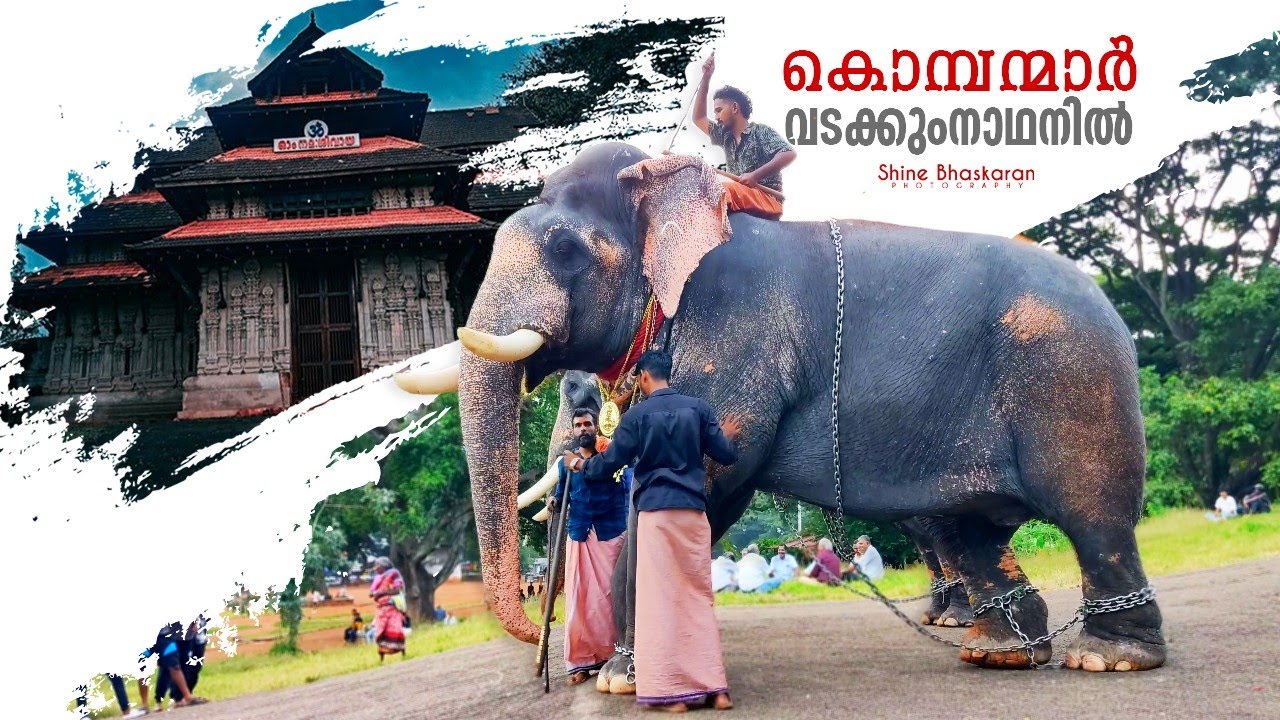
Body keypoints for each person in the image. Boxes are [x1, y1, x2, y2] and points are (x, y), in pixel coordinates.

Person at [568, 350, 740, 711]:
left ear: (643, 377)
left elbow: (609, 463)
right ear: (667, 374)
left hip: (657, 516)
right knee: (697, 597)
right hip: (693, 514)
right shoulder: (699, 409)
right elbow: (726, 455)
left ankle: (672, 693)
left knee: (659, 603)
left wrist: (581, 465)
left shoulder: (636, 416)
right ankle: (717, 689)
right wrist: (725, 436)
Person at [548, 406, 630, 685]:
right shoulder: (564, 464)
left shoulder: (612, 458)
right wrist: (555, 503)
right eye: (578, 425)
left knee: (610, 596)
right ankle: (580, 663)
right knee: (580, 600)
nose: (583, 429)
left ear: (596, 427)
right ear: (572, 430)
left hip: (611, 534)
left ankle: (614, 655)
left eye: (587, 424)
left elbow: (628, 491)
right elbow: (562, 496)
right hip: (580, 535)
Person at [692, 52, 797, 220]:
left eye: (719, 110)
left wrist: (756, 176)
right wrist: (706, 78)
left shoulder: (760, 132)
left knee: (720, 189)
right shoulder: (724, 136)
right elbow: (698, 118)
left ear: (735, 108)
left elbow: (789, 154)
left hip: (767, 199)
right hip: (740, 197)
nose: (716, 117)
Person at [149, 621, 207, 708]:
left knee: (186, 668)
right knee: (168, 669)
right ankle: (160, 701)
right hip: (172, 637)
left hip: (188, 637)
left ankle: (183, 698)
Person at [369, 556, 407, 661]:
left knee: (395, 630)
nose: (376, 569)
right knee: (380, 632)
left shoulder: (394, 574)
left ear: (384, 566)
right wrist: (373, 594)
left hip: (392, 607)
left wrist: (382, 592)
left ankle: (403, 653)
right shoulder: (377, 578)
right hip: (381, 609)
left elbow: (397, 590)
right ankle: (382, 658)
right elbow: (372, 592)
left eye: (378, 566)